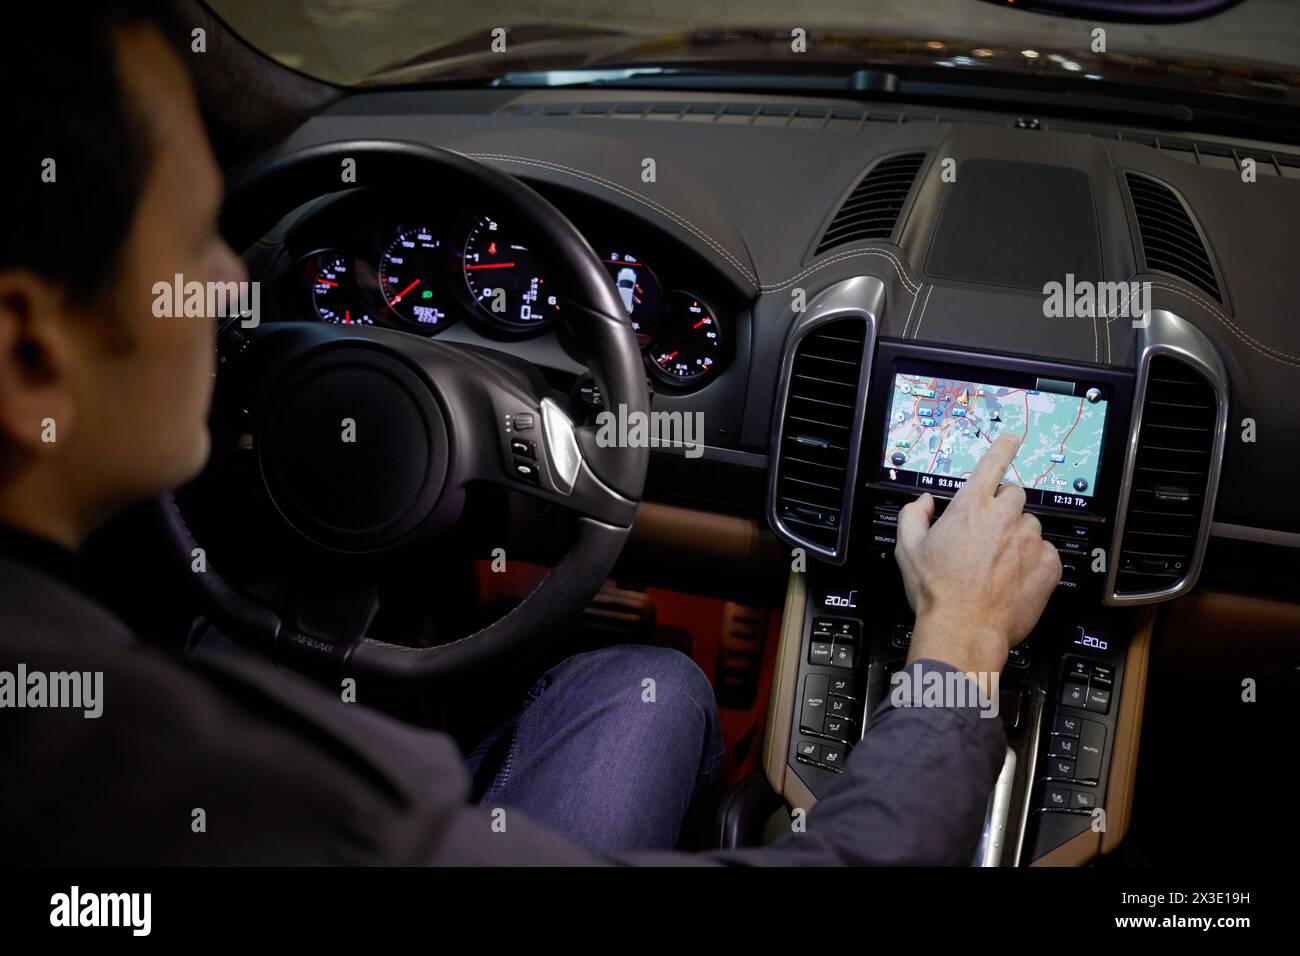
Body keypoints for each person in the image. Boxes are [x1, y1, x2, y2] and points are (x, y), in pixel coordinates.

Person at [0, 4, 1061, 865]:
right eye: (194, 244)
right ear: (28, 351)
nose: (238, 288)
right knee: (655, 685)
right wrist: (960, 642)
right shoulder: (251, 792)